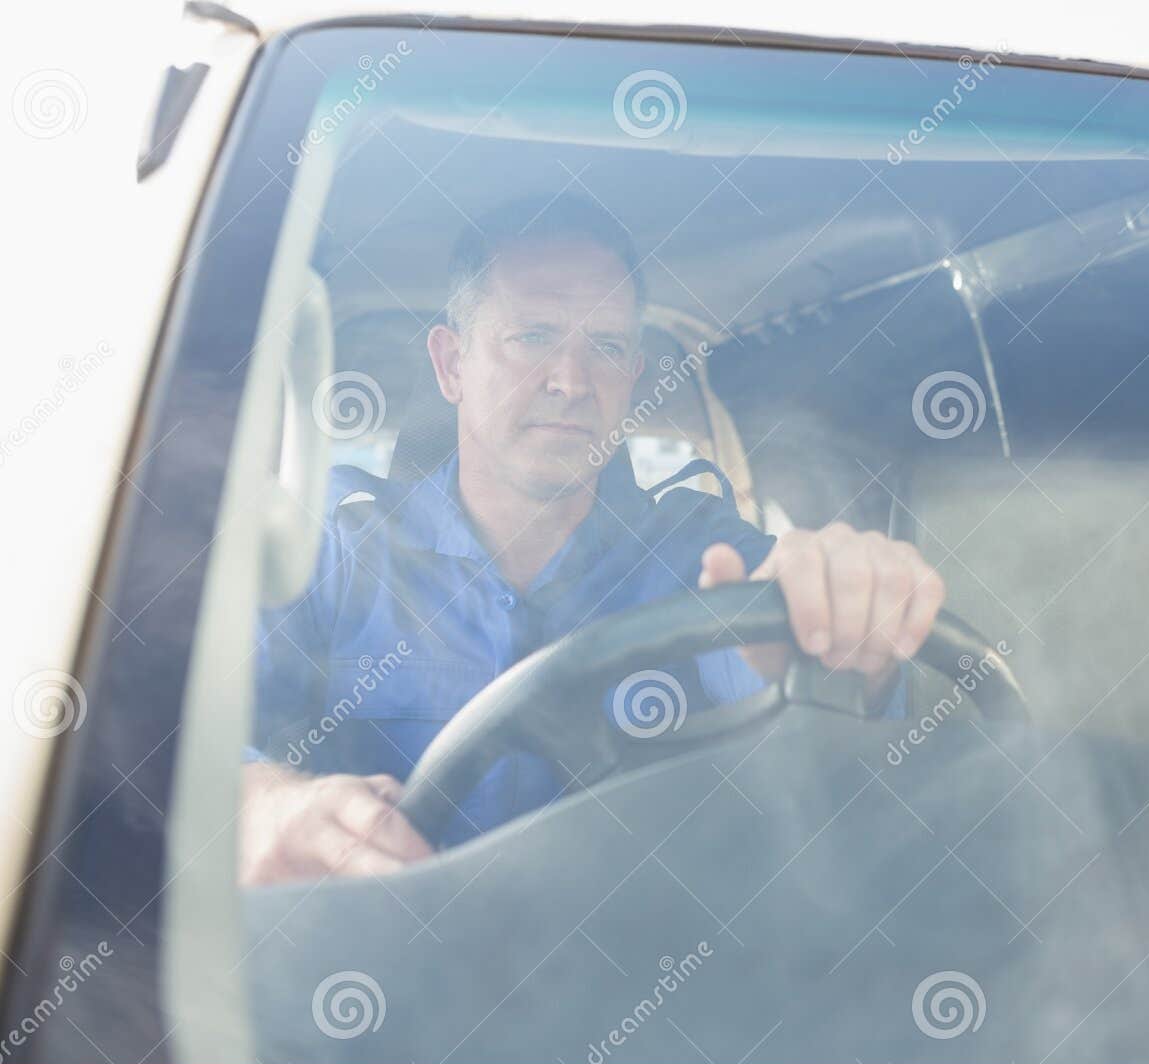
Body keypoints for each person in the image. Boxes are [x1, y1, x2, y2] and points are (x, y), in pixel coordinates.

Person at [239, 194, 948, 885]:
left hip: (652, 980)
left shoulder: (706, 555)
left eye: (605, 346)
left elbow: (810, 698)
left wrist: (847, 629)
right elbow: (181, 741)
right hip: (373, 982)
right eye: (534, 336)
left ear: (633, 375)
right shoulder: (327, 547)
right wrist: (267, 805)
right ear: (452, 364)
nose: (572, 380)